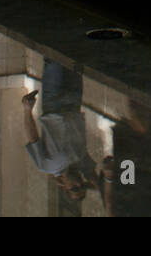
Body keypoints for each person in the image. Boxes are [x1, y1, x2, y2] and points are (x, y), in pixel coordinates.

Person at [22, 61, 98, 202]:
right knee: (74, 59)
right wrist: (94, 186)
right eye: (82, 186)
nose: (79, 183)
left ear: (64, 187)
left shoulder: (47, 166)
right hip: (74, 103)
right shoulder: (82, 163)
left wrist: (27, 110)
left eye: (74, 188)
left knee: (53, 60)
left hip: (53, 103)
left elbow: (33, 138)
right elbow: (98, 183)